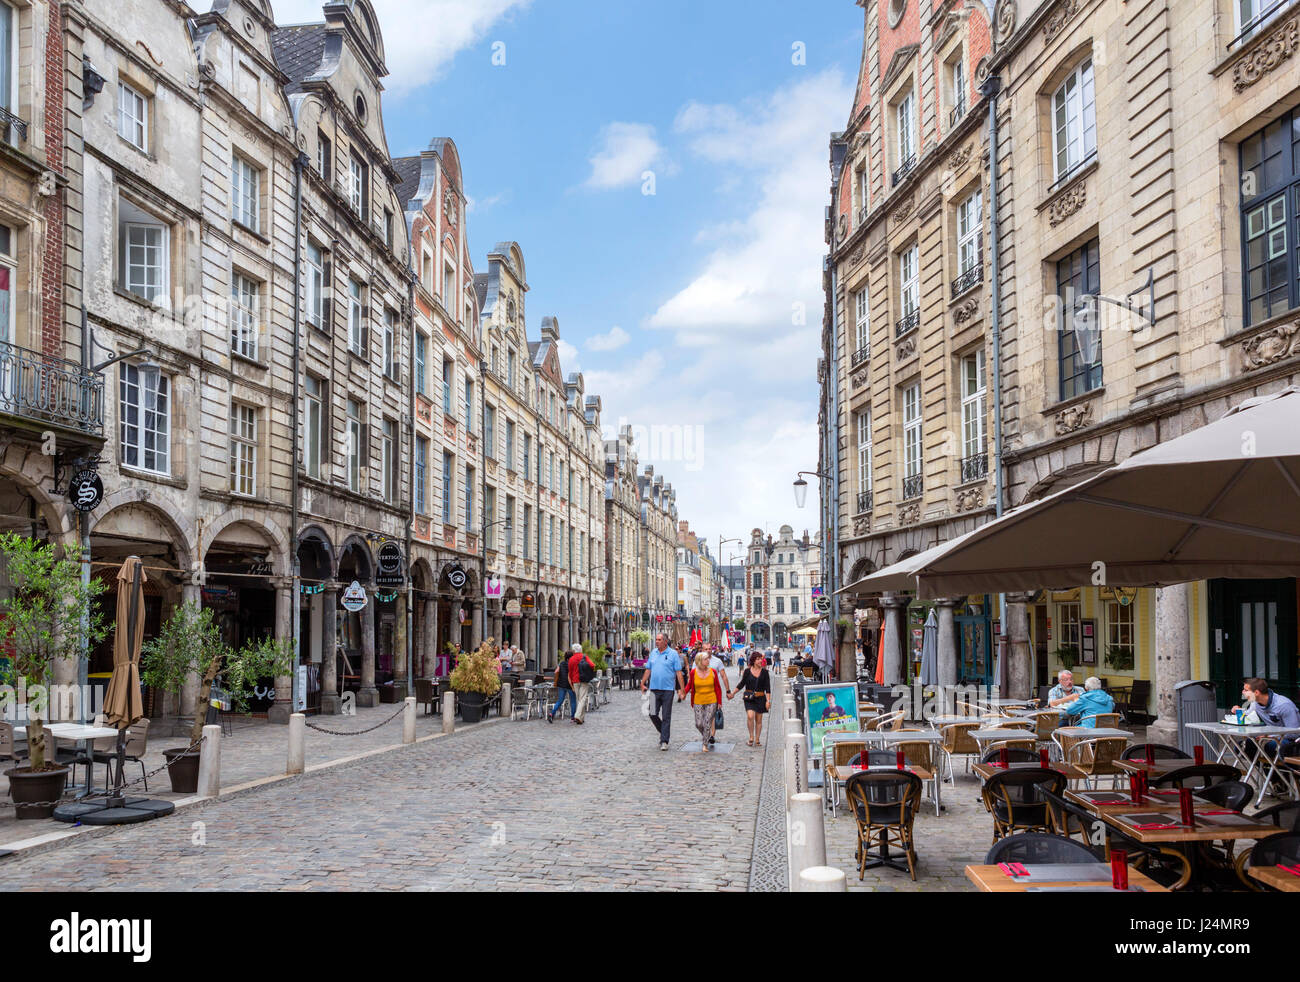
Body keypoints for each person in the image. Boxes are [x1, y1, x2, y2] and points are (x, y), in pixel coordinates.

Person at [1232, 678, 1300, 767]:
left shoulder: (1283, 705)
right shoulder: (1255, 703)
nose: (1242, 692)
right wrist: (1237, 711)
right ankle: (1266, 770)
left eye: (1246, 690)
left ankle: (1277, 776)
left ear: (1256, 693)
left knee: (1270, 746)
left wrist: (1269, 736)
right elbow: (1246, 717)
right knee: (1241, 747)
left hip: (1293, 742)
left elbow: (1294, 733)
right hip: (1270, 738)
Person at [641, 633, 684, 751]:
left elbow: (679, 673)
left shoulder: (673, 654)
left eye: (659, 640)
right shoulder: (653, 653)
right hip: (654, 689)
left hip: (668, 690)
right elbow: (648, 669)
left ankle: (664, 740)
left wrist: (682, 690)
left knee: (666, 716)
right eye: (656, 639)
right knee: (652, 713)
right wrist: (642, 682)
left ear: (665, 641)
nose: (657, 641)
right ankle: (664, 732)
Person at [680, 652, 724, 752]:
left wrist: (719, 702)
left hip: (712, 700)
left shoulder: (712, 671)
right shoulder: (693, 672)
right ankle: (707, 736)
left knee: (707, 722)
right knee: (699, 723)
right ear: (700, 661)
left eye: (708, 659)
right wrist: (684, 693)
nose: (708, 660)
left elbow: (718, 688)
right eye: (706, 659)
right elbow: (690, 685)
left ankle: (705, 744)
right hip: (698, 700)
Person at [730, 655, 771, 747]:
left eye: (761, 659)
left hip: (760, 697)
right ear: (753, 661)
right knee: (750, 716)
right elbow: (742, 684)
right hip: (749, 698)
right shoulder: (747, 671)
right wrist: (733, 693)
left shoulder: (765, 672)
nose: (760, 660)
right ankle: (751, 737)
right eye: (758, 659)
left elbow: (768, 688)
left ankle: (757, 739)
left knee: (759, 720)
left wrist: (768, 701)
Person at [567, 643, 595, 725]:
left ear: (574, 650)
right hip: (584, 680)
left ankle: (581, 718)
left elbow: (570, 672)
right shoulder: (584, 657)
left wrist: (572, 682)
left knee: (579, 699)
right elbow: (592, 665)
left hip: (575, 681)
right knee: (582, 699)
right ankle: (578, 716)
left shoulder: (571, 659)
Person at [548, 653, 576, 723]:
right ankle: (573, 717)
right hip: (569, 685)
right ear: (569, 658)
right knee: (573, 701)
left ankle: (552, 714)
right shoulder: (571, 664)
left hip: (561, 685)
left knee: (560, 701)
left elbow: (556, 671)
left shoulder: (561, 663)